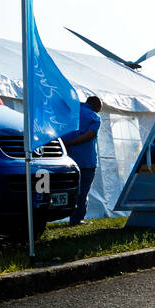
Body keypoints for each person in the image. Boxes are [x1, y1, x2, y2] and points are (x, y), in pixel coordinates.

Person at [60, 95, 102, 225]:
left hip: (67, 160)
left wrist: (65, 143)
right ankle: (76, 219)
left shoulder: (70, 112)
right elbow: (90, 135)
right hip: (86, 160)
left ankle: (64, 215)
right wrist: (72, 142)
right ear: (96, 106)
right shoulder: (94, 117)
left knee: (70, 189)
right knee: (83, 191)